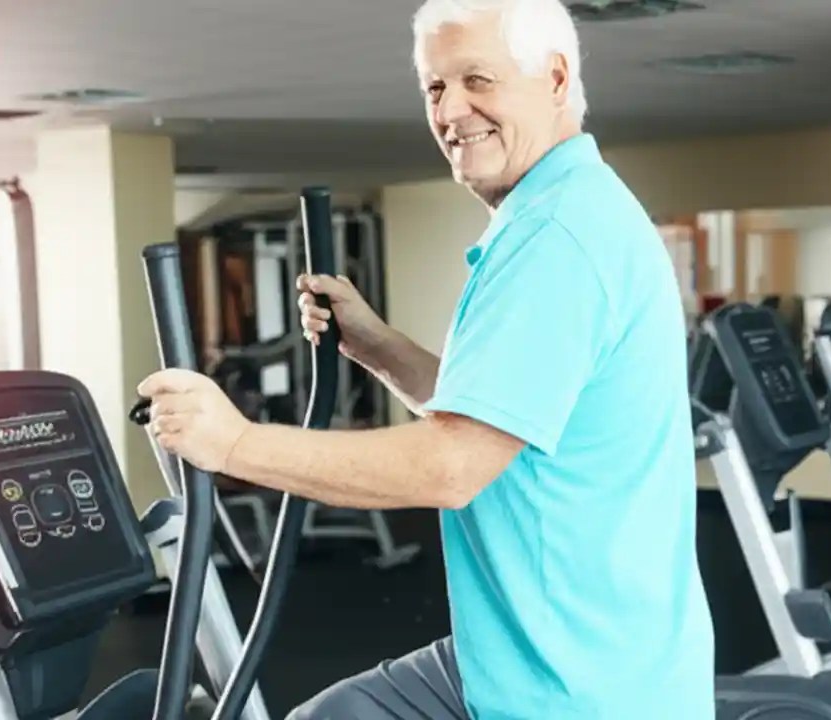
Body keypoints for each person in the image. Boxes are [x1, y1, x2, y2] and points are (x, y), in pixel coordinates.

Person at [136, 0, 716, 716]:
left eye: (479, 79)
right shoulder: (566, 209)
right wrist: (379, 348)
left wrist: (235, 443)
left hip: (570, 688)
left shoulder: (557, 239)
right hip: (544, 652)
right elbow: (506, 416)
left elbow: (453, 466)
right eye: (436, 88)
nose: (452, 110)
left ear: (556, 79)